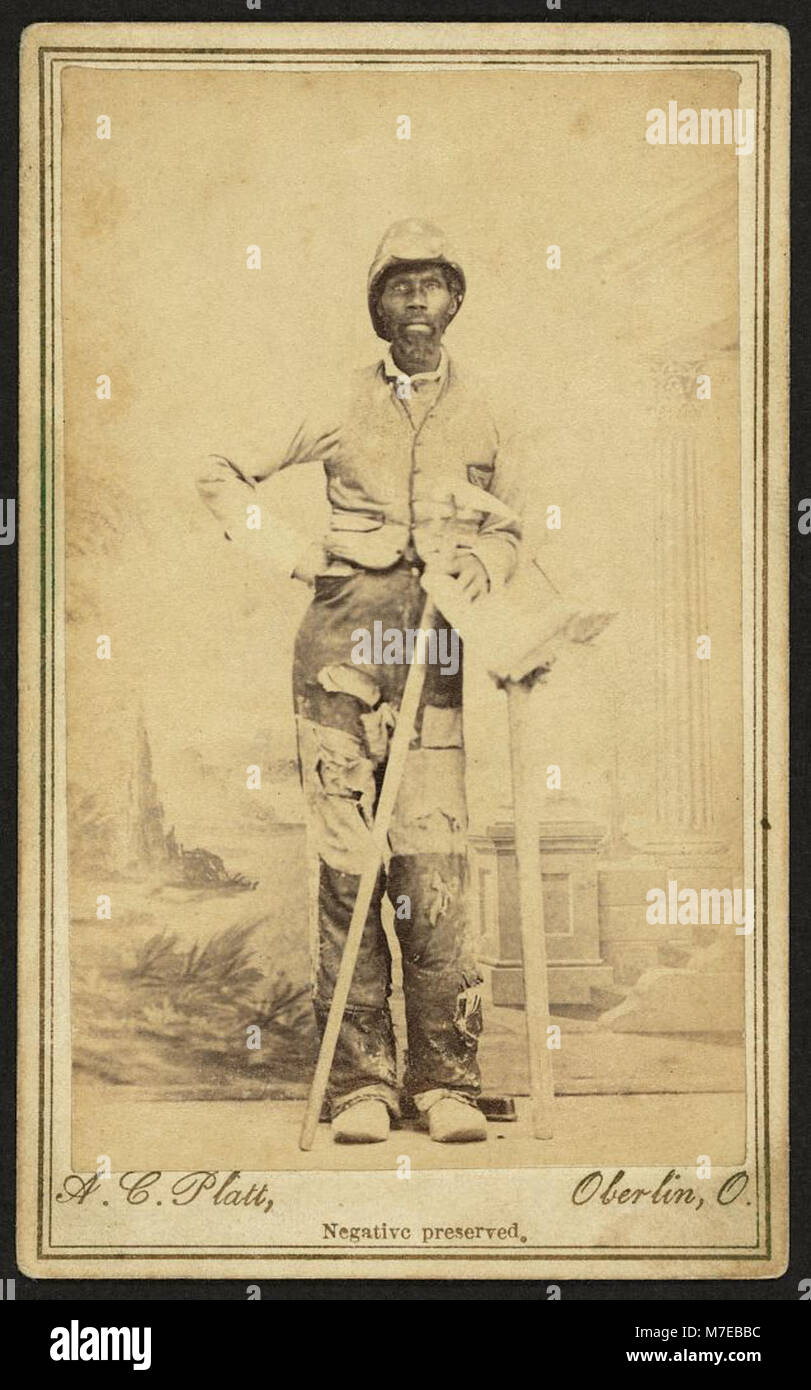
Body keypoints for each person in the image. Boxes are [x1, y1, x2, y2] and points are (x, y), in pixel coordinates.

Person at [197, 219, 523, 1143]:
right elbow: (217, 469)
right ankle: (359, 1087)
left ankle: (445, 1080)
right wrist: (301, 554)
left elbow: (512, 528)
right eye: (398, 287)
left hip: (437, 656)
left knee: (433, 868)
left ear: (456, 301)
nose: (415, 302)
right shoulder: (336, 400)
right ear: (376, 306)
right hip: (339, 652)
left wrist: (480, 570)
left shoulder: (492, 408)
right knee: (349, 867)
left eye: (431, 286)